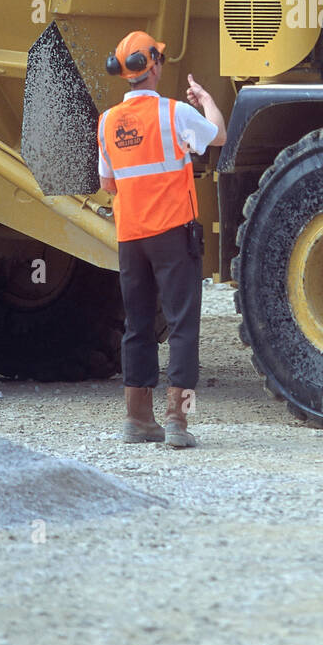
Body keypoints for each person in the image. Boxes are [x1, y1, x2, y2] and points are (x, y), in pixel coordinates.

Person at [96, 31, 226, 448]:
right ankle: (177, 421)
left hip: (131, 239)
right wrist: (205, 101)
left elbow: (107, 183)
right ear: (153, 66)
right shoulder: (174, 114)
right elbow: (218, 136)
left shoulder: (107, 121)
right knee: (183, 326)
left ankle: (137, 420)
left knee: (137, 326)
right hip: (173, 236)